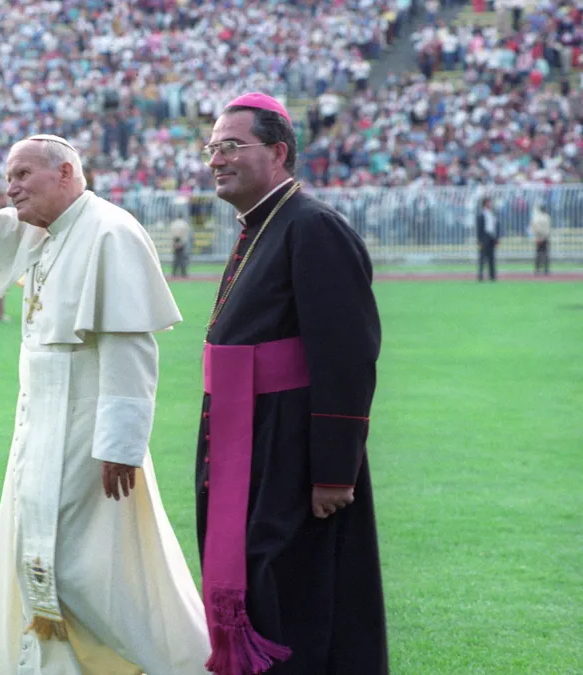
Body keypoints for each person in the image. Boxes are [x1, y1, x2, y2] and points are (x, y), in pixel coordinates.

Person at [0, 95, 209, 674]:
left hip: (88, 433)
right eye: (7, 177)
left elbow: (132, 349)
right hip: (39, 425)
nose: (11, 188)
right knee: (39, 556)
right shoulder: (43, 229)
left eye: (22, 174)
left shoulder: (109, 231)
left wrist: (121, 446)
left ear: (67, 173)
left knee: (88, 572)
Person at [196, 92, 386, 675]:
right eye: (211, 147)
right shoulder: (260, 227)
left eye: (232, 146)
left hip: (292, 451)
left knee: (295, 591)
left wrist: (334, 471)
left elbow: (347, 357)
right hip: (248, 442)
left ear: (278, 152)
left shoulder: (313, 227)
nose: (215, 159)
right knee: (259, 583)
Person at [476, 197, 499, 282]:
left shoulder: (493, 214)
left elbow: (496, 227)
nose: (490, 204)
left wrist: (496, 238)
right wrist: (479, 241)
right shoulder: (481, 214)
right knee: (482, 258)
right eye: (489, 203)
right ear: (485, 204)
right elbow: (479, 229)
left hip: (492, 237)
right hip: (484, 238)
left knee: (492, 258)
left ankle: (492, 276)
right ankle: (480, 276)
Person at [530, 203, 551, 276]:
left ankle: (537, 269)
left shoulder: (536, 217)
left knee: (538, 254)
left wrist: (537, 235)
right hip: (545, 237)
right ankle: (546, 269)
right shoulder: (547, 217)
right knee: (545, 254)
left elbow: (534, 227)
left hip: (538, 237)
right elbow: (547, 228)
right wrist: (544, 235)